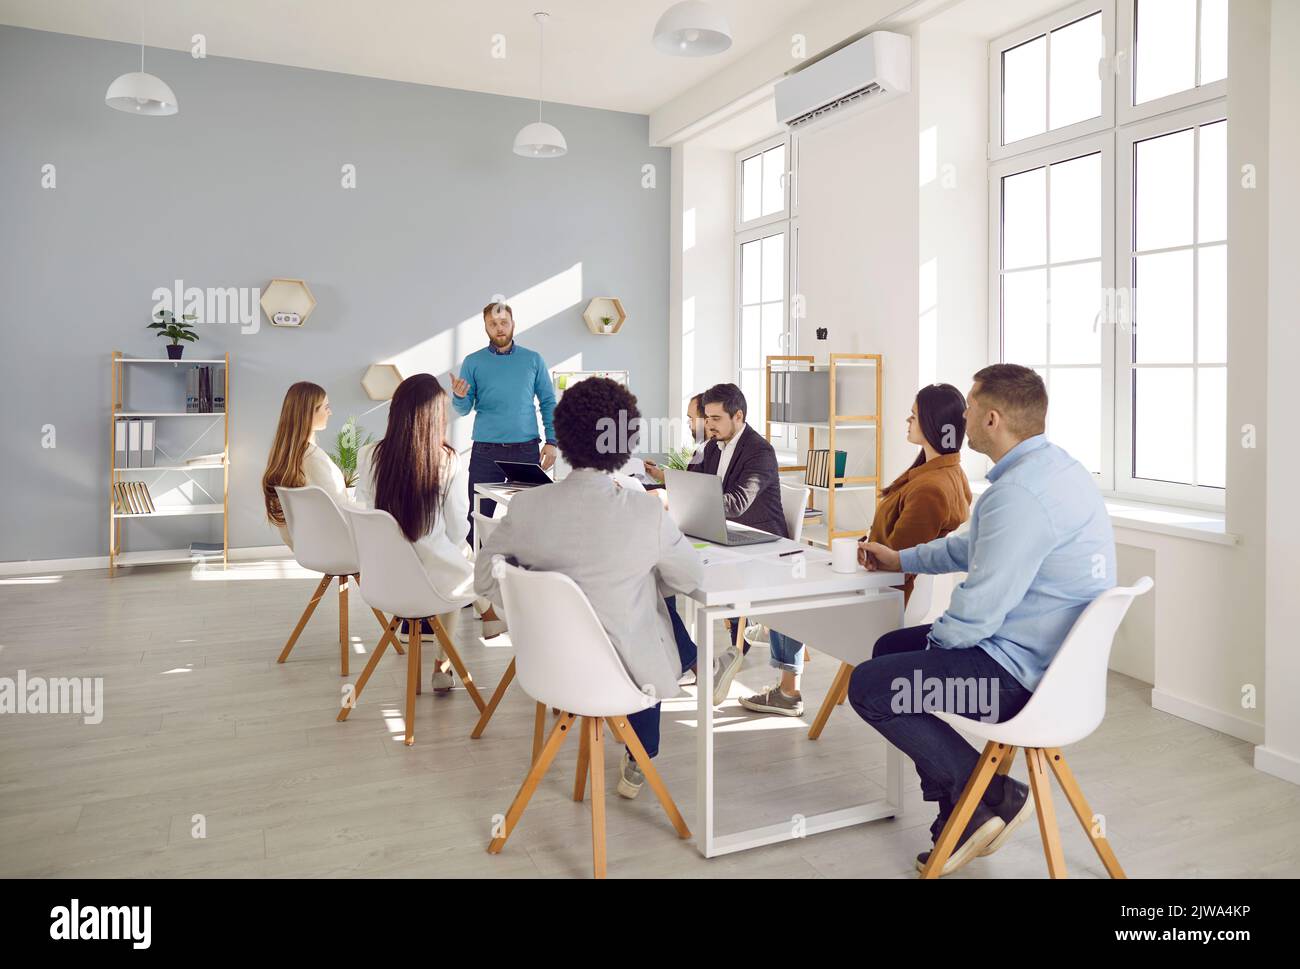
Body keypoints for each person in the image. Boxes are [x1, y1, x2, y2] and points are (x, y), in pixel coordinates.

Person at [853, 364, 1116, 876]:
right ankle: (960, 805)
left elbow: (979, 608)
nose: (962, 417)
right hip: (1047, 664)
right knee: (888, 651)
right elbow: (969, 547)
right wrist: (900, 559)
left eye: (970, 408)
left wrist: (932, 649)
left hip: (1017, 684)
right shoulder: (1053, 470)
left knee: (869, 687)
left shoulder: (1019, 496)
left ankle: (986, 792)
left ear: (992, 419)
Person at [475, 377, 704, 801]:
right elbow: (693, 581)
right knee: (650, 592)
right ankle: (643, 752)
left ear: (562, 437)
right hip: (628, 682)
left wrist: (533, 593)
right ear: (627, 439)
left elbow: (485, 579)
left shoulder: (526, 508)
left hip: (548, 672)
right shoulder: (645, 512)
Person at [355, 373, 498, 693]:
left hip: (383, 581)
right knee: (458, 556)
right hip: (433, 583)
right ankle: (443, 663)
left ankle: (484, 613)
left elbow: (365, 512)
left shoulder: (368, 456)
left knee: (452, 557)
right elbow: (459, 528)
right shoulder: (446, 461)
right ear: (435, 417)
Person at [676, 383, 804, 712]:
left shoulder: (759, 451)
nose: (708, 424)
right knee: (668, 572)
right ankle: (698, 658)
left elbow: (737, 502)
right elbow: (689, 486)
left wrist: (686, 502)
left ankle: (733, 655)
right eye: (706, 417)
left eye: (716, 418)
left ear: (738, 416)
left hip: (761, 541)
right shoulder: (709, 446)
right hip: (721, 535)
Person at [450, 301, 557, 546]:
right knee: (477, 520)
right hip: (485, 453)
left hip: (526, 451)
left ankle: (525, 575)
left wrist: (552, 441)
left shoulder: (533, 360)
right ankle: (475, 578)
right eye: (493, 324)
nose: (499, 328)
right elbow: (464, 409)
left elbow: (548, 402)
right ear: (486, 328)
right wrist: (459, 396)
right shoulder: (473, 362)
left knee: (532, 519)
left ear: (513, 324)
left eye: (504, 323)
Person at [859, 383, 973, 605]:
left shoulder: (930, 489)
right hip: (874, 585)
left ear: (933, 424)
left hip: (882, 597)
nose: (907, 421)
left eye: (913, 416)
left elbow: (897, 562)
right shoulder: (949, 472)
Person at [262, 381, 350, 549]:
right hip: (337, 547)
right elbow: (341, 512)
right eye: (326, 407)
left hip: (305, 547)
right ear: (309, 413)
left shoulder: (284, 456)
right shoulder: (313, 458)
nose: (330, 412)